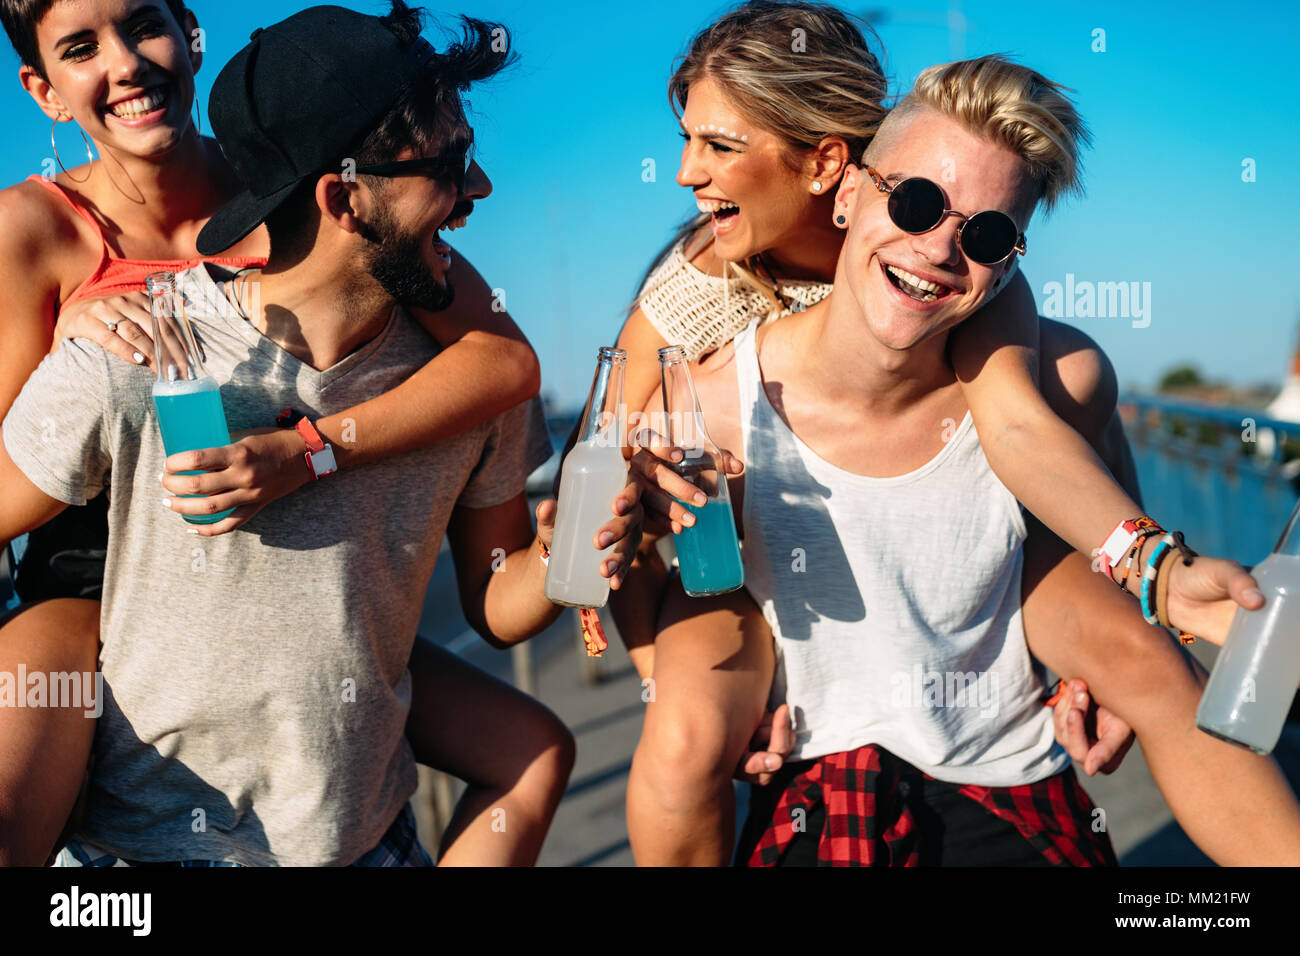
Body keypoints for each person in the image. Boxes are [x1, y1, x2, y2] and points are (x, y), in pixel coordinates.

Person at [615, 1, 1300, 866]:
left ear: (1013, 257)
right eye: (918, 201)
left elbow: (1030, 438)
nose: (940, 247)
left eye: (984, 233)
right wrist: (663, 680)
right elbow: (610, 505)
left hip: (1006, 760)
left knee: (1158, 672)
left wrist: (1151, 588)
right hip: (821, 765)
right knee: (678, 751)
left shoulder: (1036, 354)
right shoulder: (708, 374)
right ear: (850, 188)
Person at [0, 3, 644, 866]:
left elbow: (498, 592)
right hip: (127, 783)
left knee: (532, 746)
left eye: (144, 28)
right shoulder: (116, 348)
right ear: (340, 197)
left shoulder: (462, 372)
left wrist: (565, 556)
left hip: (370, 837)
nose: (481, 187)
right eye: (451, 165)